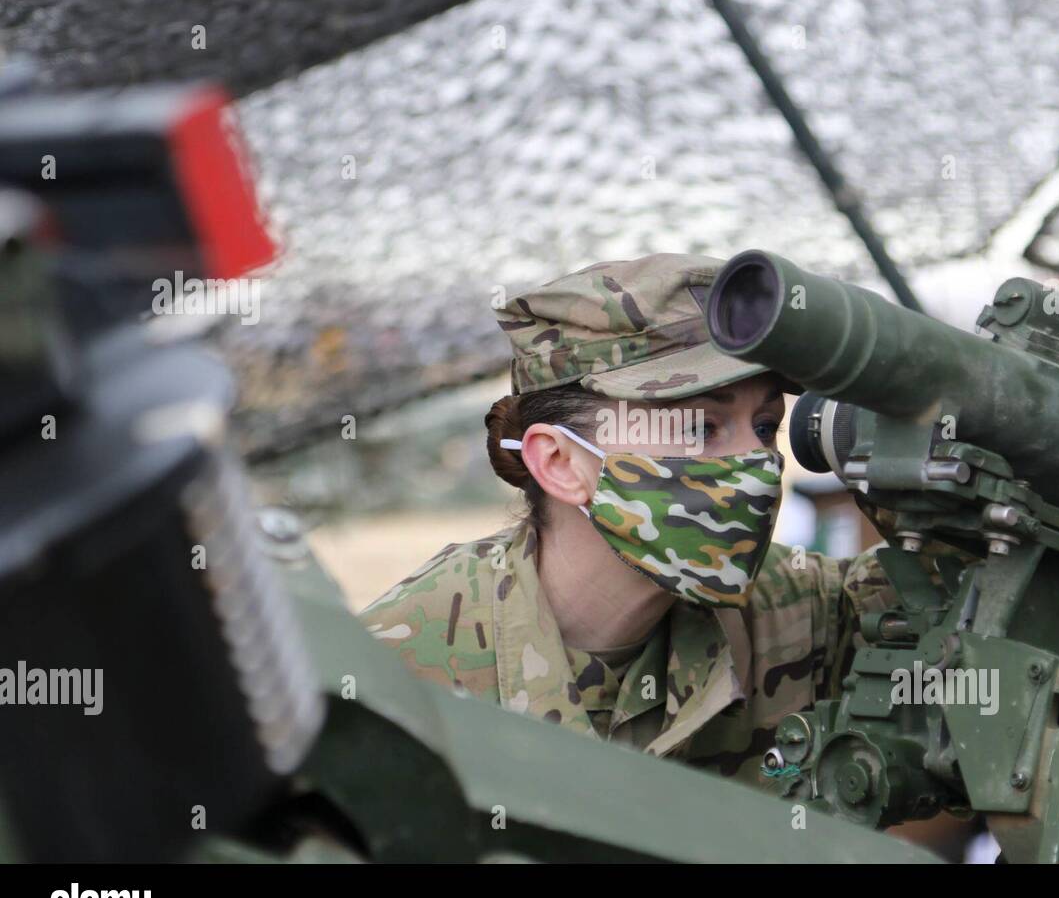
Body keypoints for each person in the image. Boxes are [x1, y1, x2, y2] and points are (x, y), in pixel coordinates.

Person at [358, 253, 897, 788]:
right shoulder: (396, 673)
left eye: (764, 427)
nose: (756, 463)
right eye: (701, 429)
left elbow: (952, 601)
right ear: (560, 463)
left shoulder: (799, 608)